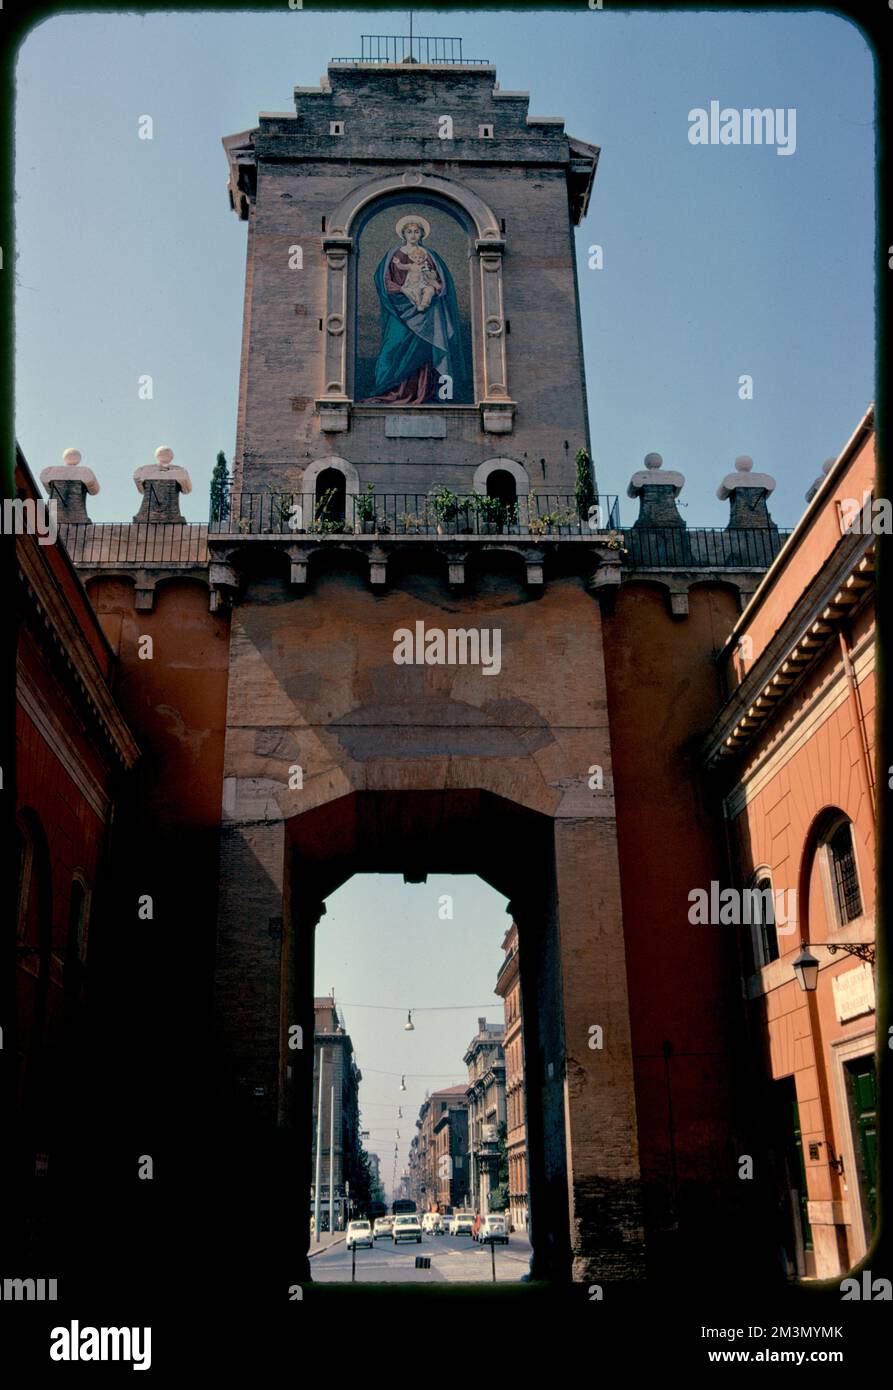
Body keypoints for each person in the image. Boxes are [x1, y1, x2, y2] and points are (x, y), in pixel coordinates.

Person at [362, 214, 467, 405]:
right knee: (392, 348)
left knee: (425, 352)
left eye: (416, 231)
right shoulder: (393, 256)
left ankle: (424, 392)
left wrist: (435, 286)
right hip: (399, 310)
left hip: (426, 314)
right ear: (403, 234)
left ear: (422, 234)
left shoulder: (430, 256)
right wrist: (401, 289)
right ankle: (391, 391)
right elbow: (384, 281)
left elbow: (441, 283)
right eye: (409, 231)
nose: (413, 235)